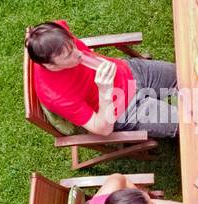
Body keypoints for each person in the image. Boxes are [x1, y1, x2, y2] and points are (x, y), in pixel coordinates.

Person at [26, 21, 179, 137]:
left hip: (132, 71)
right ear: (51, 66)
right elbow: (103, 129)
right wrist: (105, 91)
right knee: (191, 122)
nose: (79, 54)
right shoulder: (56, 96)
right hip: (125, 109)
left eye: (73, 45)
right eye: (68, 56)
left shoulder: (57, 32)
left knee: (187, 77)